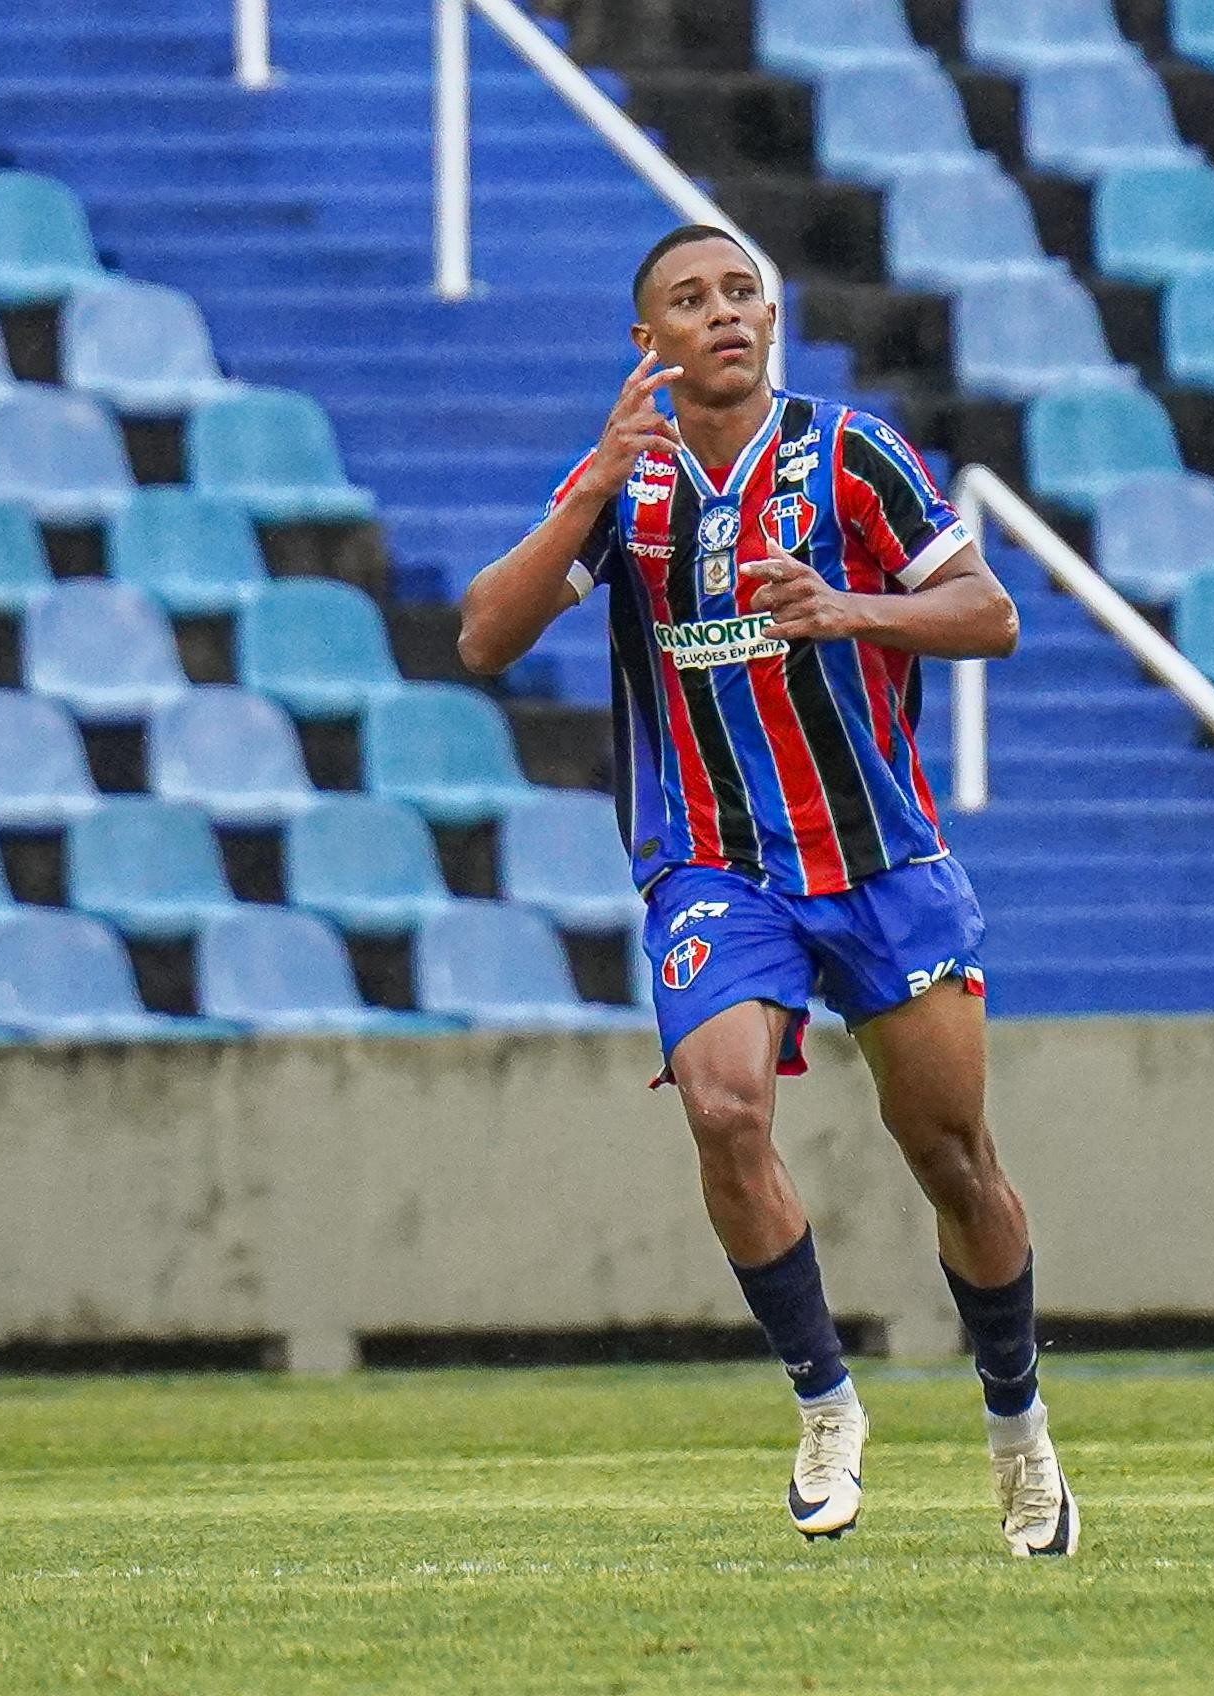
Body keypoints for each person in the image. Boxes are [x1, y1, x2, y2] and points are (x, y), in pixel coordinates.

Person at [458, 224, 1074, 1557]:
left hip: (878, 859)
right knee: (725, 1106)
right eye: (692, 299)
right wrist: (587, 490)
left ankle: (1017, 1427)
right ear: (649, 343)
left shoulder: (853, 454)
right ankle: (825, 1405)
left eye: (743, 291)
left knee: (953, 1160)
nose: (725, 312)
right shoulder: (627, 484)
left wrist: (849, 609)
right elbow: (485, 635)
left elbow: (991, 615)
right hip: (714, 864)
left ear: (772, 317)